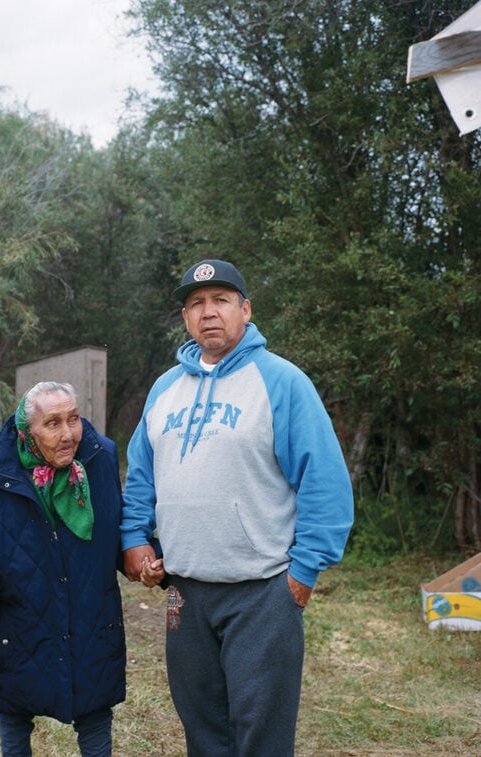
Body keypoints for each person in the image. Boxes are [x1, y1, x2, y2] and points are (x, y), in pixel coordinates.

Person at [120, 259, 354, 756]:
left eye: (221, 301)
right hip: (186, 593)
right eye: (196, 304)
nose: (209, 313)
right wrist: (135, 541)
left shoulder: (282, 382)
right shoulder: (165, 390)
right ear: (185, 319)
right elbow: (140, 476)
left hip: (263, 592)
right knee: (203, 732)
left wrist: (304, 572)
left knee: (260, 738)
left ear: (245, 311)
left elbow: (325, 483)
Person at [0, 381, 126, 757]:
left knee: (94, 714)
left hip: (89, 611)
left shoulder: (99, 458)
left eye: (73, 419)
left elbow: (118, 526)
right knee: (13, 711)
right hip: (18, 615)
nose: (68, 434)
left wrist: (143, 554)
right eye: (53, 424)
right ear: (27, 431)